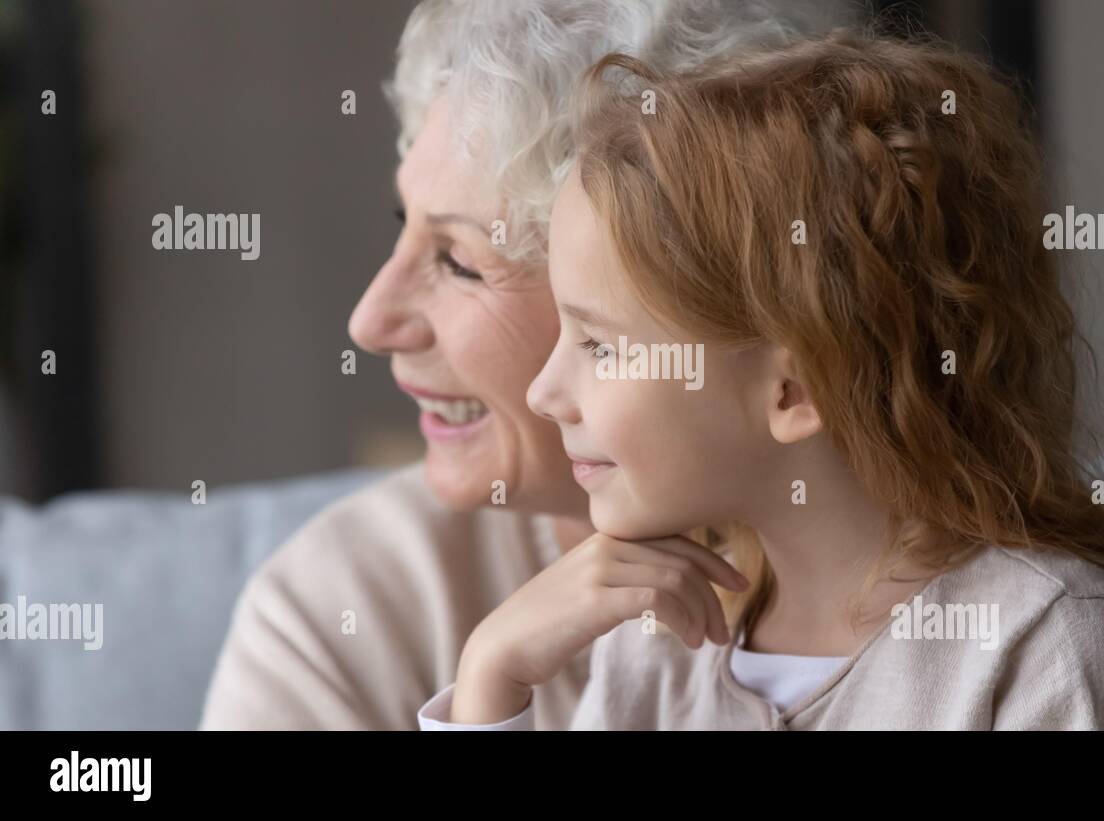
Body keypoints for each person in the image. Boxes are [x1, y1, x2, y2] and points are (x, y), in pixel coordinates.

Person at [418, 31, 1104, 730]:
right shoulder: (657, 646)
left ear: (792, 393)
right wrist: (491, 681)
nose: (543, 392)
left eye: (598, 344)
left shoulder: (1057, 653)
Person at [198, 0, 859, 730]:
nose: (369, 323)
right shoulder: (337, 610)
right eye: (404, 230)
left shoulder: (969, 624)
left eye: (459, 261)